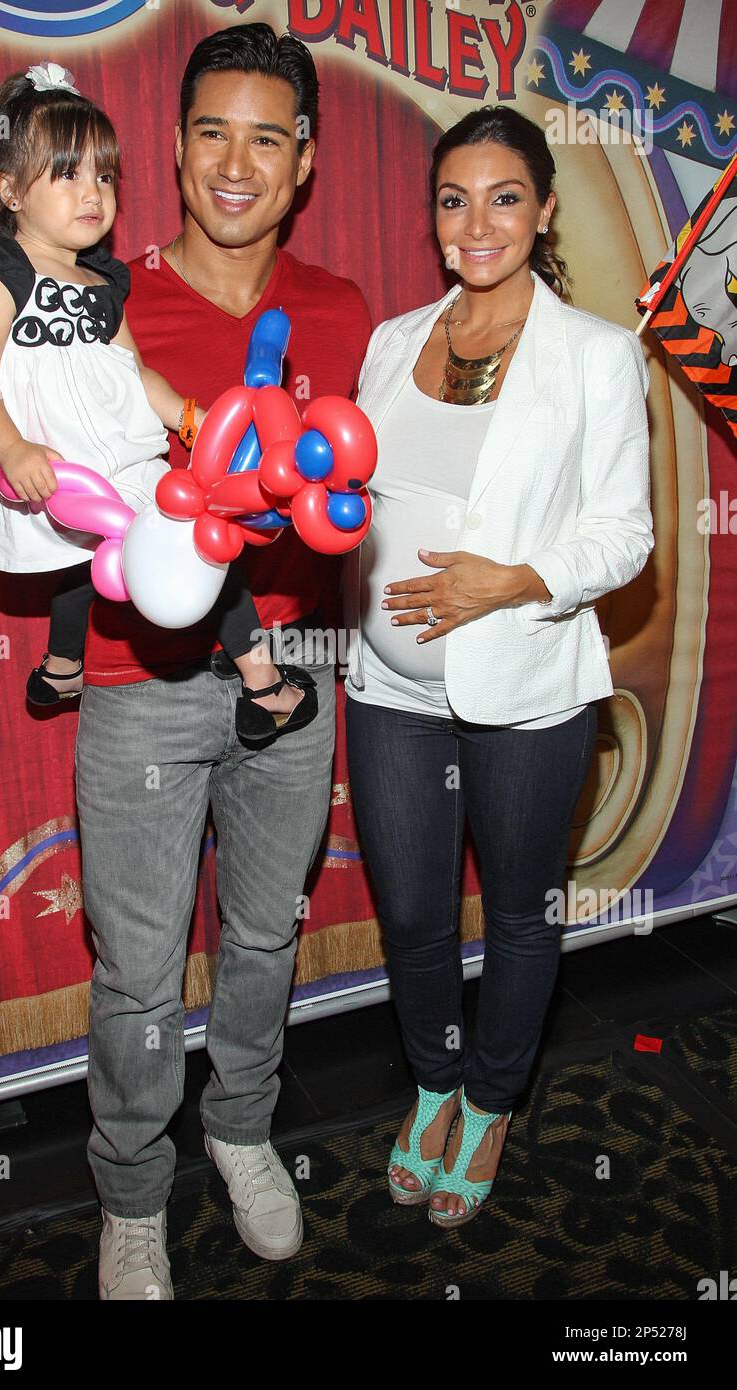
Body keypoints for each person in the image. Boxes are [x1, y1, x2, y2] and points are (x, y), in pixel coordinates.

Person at [75, 24, 371, 1298]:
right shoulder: (97, 303)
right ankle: (130, 1195)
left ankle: (241, 1130)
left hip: (296, 678)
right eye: (211, 132)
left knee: (261, 937)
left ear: (303, 160)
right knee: (137, 968)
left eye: (266, 136)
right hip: (140, 686)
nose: (235, 163)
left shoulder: (342, 311)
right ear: (175, 148)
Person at [344, 105, 653, 1228]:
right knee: (414, 916)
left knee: (519, 913)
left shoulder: (595, 355)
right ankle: (431, 1082)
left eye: (503, 196)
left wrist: (508, 580)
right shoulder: (388, 342)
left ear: (543, 209)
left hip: (522, 691)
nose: (476, 223)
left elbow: (625, 535)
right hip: (388, 694)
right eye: (452, 198)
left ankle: (489, 1099)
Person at [0, 60, 314, 741]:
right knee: (118, 550)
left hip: (114, 449)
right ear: (10, 189)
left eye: (104, 175)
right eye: (68, 174)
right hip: (52, 458)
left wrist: (186, 415)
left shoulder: (104, 283)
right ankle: (265, 685)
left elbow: (134, 373)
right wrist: (12, 447)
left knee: (169, 547)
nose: (94, 193)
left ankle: (65, 666)